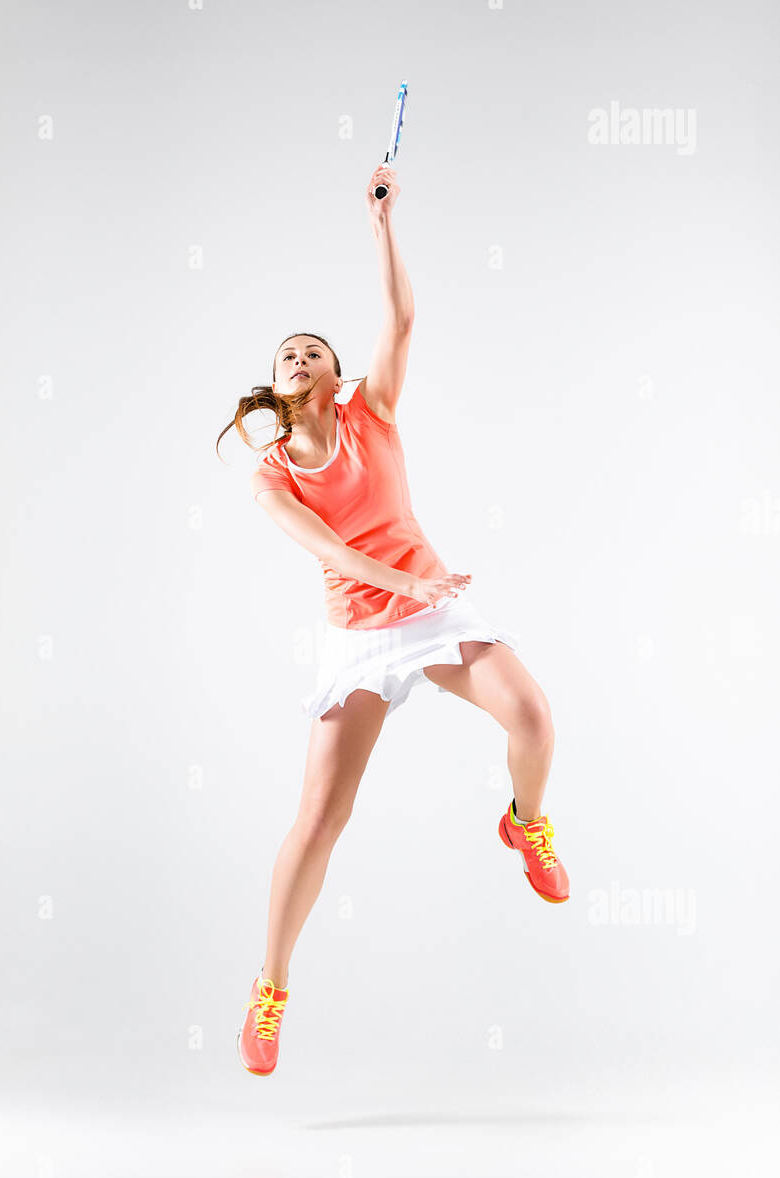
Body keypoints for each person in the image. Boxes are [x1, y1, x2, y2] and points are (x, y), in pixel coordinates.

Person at [216, 162, 569, 1078]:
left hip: (432, 601)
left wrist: (381, 224)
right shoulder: (272, 476)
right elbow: (333, 555)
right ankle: (271, 986)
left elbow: (402, 321)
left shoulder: (372, 410)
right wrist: (408, 590)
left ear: (337, 376)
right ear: (278, 383)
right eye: (285, 353)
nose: (299, 357)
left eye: (314, 350)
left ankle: (525, 824)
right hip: (364, 629)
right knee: (319, 822)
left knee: (532, 718)